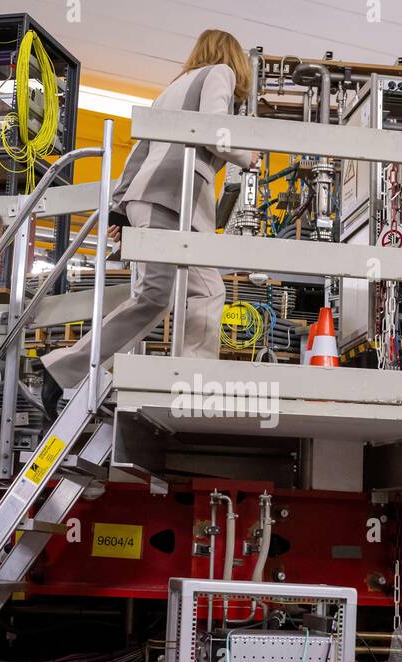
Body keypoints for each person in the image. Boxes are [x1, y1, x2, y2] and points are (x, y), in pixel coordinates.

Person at [39, 28, 259, 421]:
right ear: (235, 58)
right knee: (205, 291)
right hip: (172, 200)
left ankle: (66, 367)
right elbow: (216, 130)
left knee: (154, 297)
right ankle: (192, 385)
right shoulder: (220, 73)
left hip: (150, 201)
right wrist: (248, 156)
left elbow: (138, 153)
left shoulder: (172, 88)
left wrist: (123, 210)